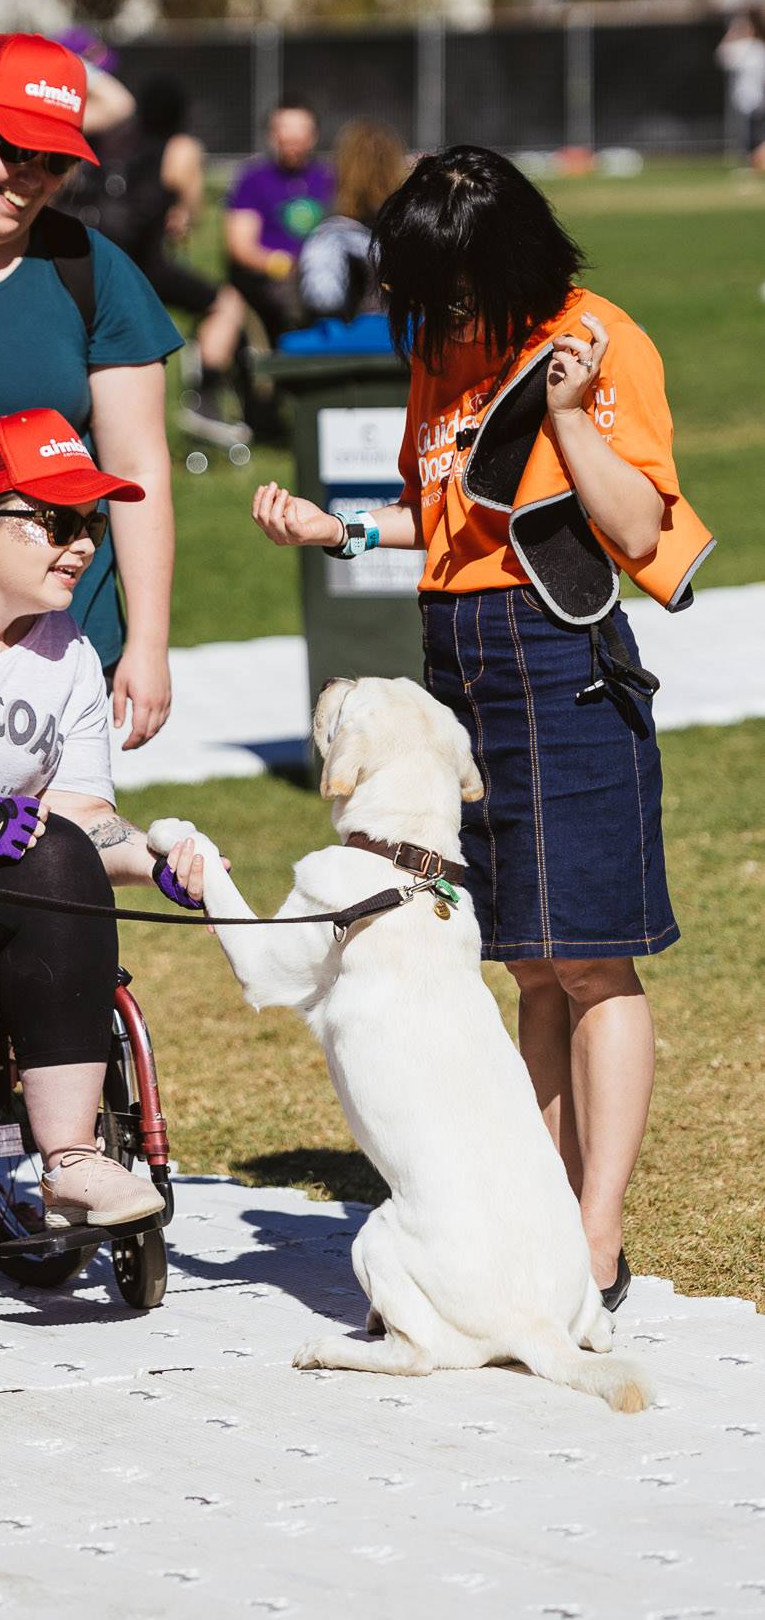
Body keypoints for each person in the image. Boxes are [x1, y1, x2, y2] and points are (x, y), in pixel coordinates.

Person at [249, 144, 714, 1315]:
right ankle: (538, 1212)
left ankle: (594, 1236)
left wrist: (565, 414)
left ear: (504, 263)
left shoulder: (593, 339)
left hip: (558, 654)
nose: (438, 317)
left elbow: (636, 525)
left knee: (588, 954)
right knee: (526, 961)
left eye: (450, 292)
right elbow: (442, 512)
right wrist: (340, 531)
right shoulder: (438, 347)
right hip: (457, 656)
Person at [0, 409, 212, 1253]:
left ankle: (71, 1158)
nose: (81, 545)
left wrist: (157, 862)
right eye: (55, 522)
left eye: (90, 524)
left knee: (61, 859)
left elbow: (83, 816)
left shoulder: (68, 654)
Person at [0, 32, 181, 749]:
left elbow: (138, 469)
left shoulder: (90, 269)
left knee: (56, 826)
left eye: (54, 161)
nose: (31, 177)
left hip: (55, 651)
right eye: (15, 149)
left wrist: (147, 643)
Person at [77, 75, 248, 445]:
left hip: (90, 258)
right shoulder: (181, 148)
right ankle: (205, 401)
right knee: (226, 304)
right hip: (144, 266)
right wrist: (182, 211)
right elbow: (191, 211)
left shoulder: (108, 138)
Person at [224, 95, 334, 343]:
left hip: (324, 274)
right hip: (271, 280)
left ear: (313, 136)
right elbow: (241, 247)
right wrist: (284, 265)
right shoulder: (252, 179)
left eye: (300, 133)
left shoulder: (328, 178)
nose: (292, 141)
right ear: (272, 135)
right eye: (285, 132)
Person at [298, 120, 408, 323]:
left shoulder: (332, 233)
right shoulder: (413, 224)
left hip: (350, 331)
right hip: (407, 332)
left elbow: (322, 298)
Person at [715, 10, 765, 169]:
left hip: (755, 99)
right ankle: (752, 162)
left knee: (755, 134)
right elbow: (721, 57)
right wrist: (733, 34)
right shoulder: (744, 48)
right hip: (743, 99)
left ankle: (755, 163)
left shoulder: (755, 48)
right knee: (745, 134)